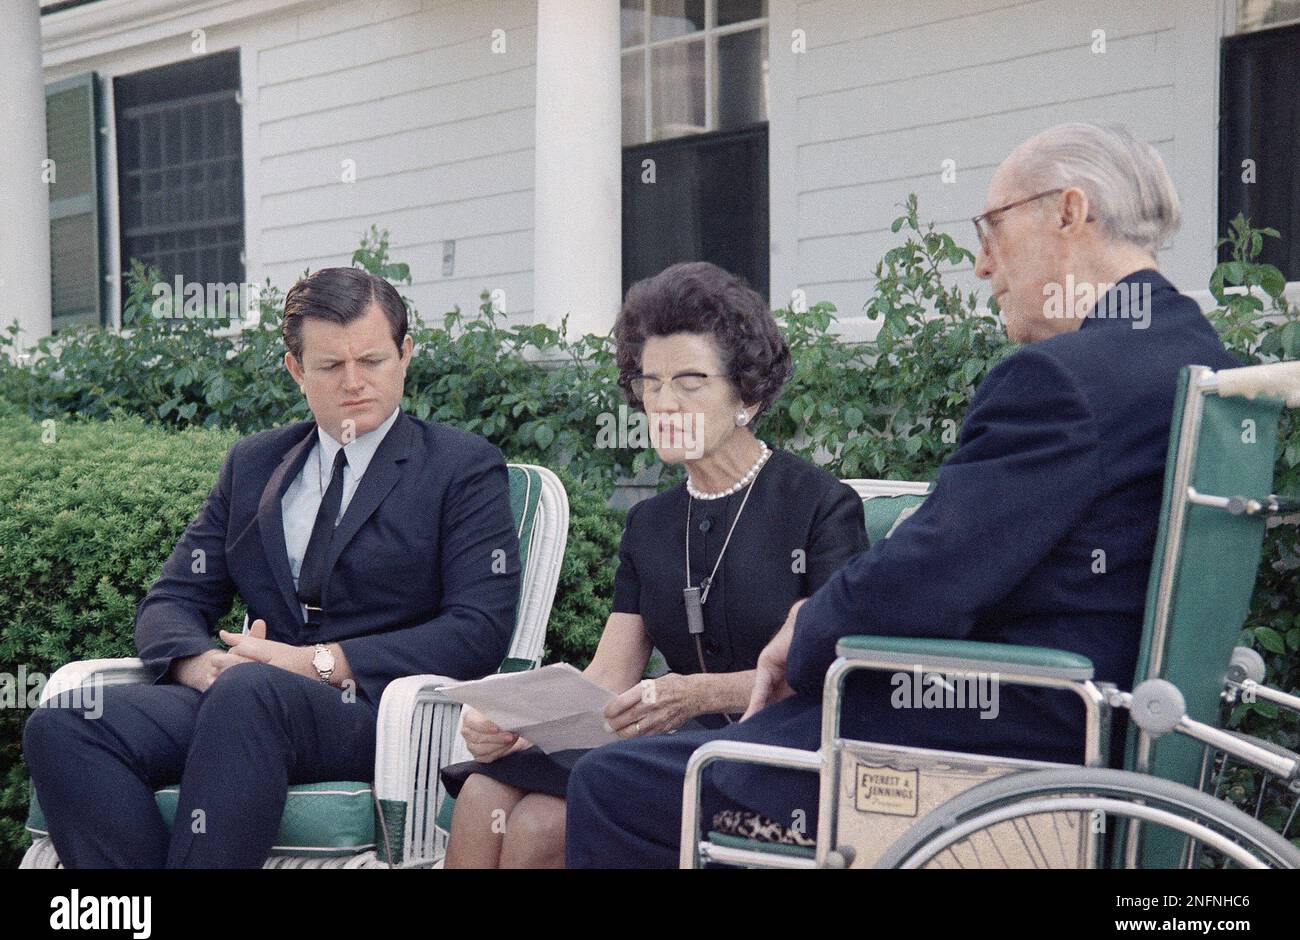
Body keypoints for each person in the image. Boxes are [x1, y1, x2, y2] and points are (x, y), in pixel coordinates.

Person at [564, 122, 1239, 868]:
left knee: (615, 785)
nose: (982, 266)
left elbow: (930, 580)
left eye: (992, 230)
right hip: (1109, 732)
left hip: (988, 751)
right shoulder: (1204, 360)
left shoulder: (1063, 379)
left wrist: (808, 627)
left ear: (1069, 212)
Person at [22, 266, 521, 868]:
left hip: (376, 713)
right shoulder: (255, 464)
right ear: (296, 371)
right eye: (331, 367)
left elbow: (477, 628)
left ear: (406, 355)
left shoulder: (460, 467)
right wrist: (199, 665)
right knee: (67, 722)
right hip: (244, 702)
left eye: (373, 361)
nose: (354, 382)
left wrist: (317, 662)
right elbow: (173, 599)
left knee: (252, 691)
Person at [440, 261, 869, 867]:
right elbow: (612, 675)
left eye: (690, 381)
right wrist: (522, 722)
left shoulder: (821, 507)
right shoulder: (650, 525)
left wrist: (697, 694)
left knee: (538, 823)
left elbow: (838, 677)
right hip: (666, 740)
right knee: (482, 790)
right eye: (651, 382)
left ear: (745, 393)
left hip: (776, 751)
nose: (664, 403)